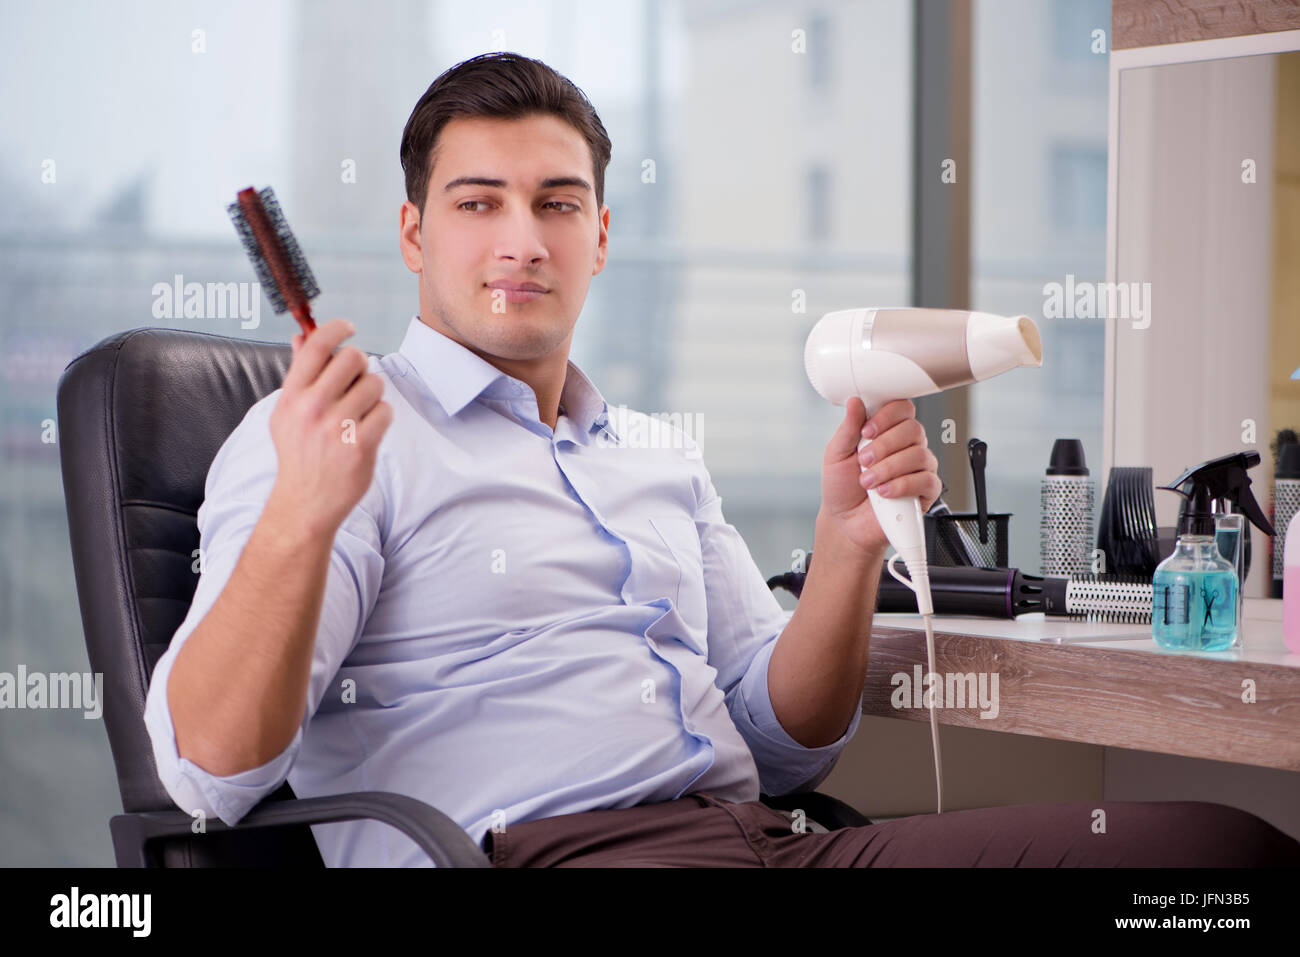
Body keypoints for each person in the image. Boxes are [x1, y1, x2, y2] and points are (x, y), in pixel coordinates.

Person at [144, 52, 1300, 868]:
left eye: (557, 202)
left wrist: (848, 545)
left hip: (766, 843)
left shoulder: (654, 456)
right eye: (477, 202)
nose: (520, 239)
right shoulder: (330, 447)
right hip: (546, 856)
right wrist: (302, 517)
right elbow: (212, 779)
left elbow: (780, 745)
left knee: (1212, 858)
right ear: (412, 235)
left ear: (600, 234)